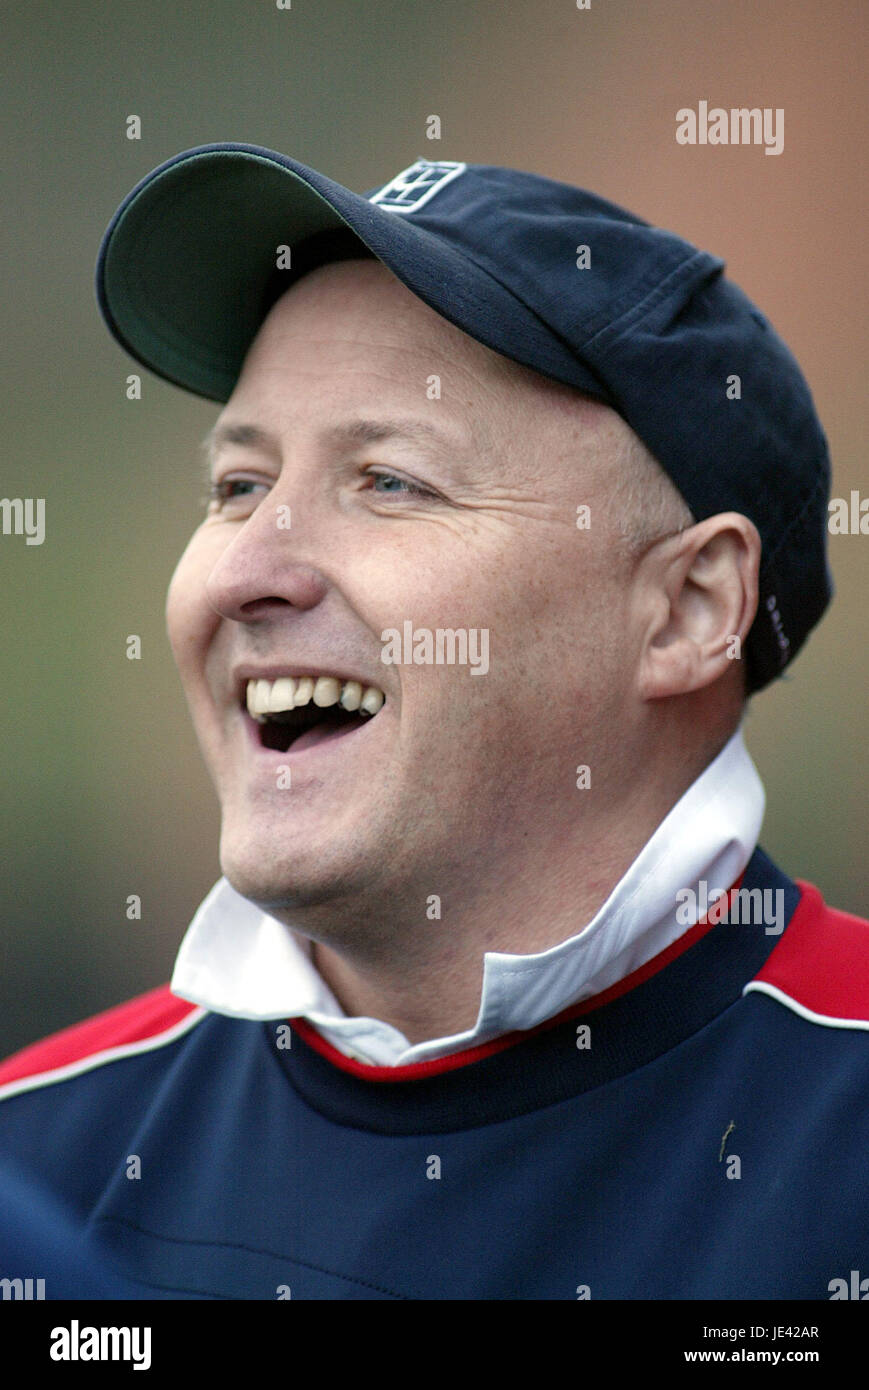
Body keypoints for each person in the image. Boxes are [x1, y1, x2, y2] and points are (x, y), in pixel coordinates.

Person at [0, 146, 866, 1301]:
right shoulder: (36, 1158)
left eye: (390, 481)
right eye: (236, 486)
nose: (247, 570)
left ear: (685, 609)